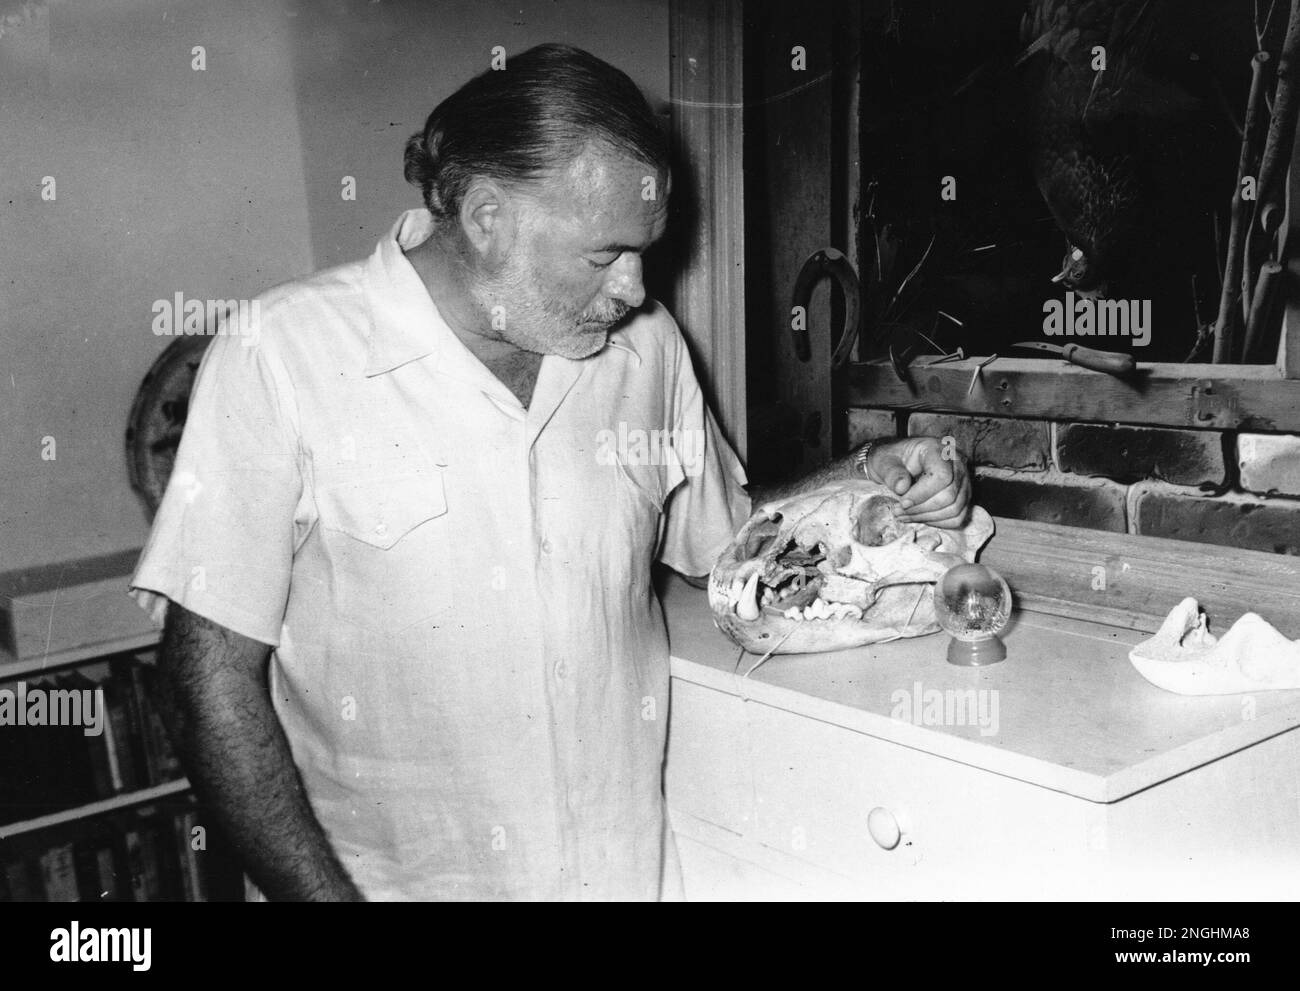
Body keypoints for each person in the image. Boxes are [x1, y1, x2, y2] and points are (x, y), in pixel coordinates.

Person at [129, 43, 969, 901]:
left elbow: (730, 537)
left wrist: (863, 473)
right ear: (488, 217)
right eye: (605, 255)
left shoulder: (647, 352)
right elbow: (207, 682)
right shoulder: (281, 355)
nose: (636, 288)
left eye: (645, 251)